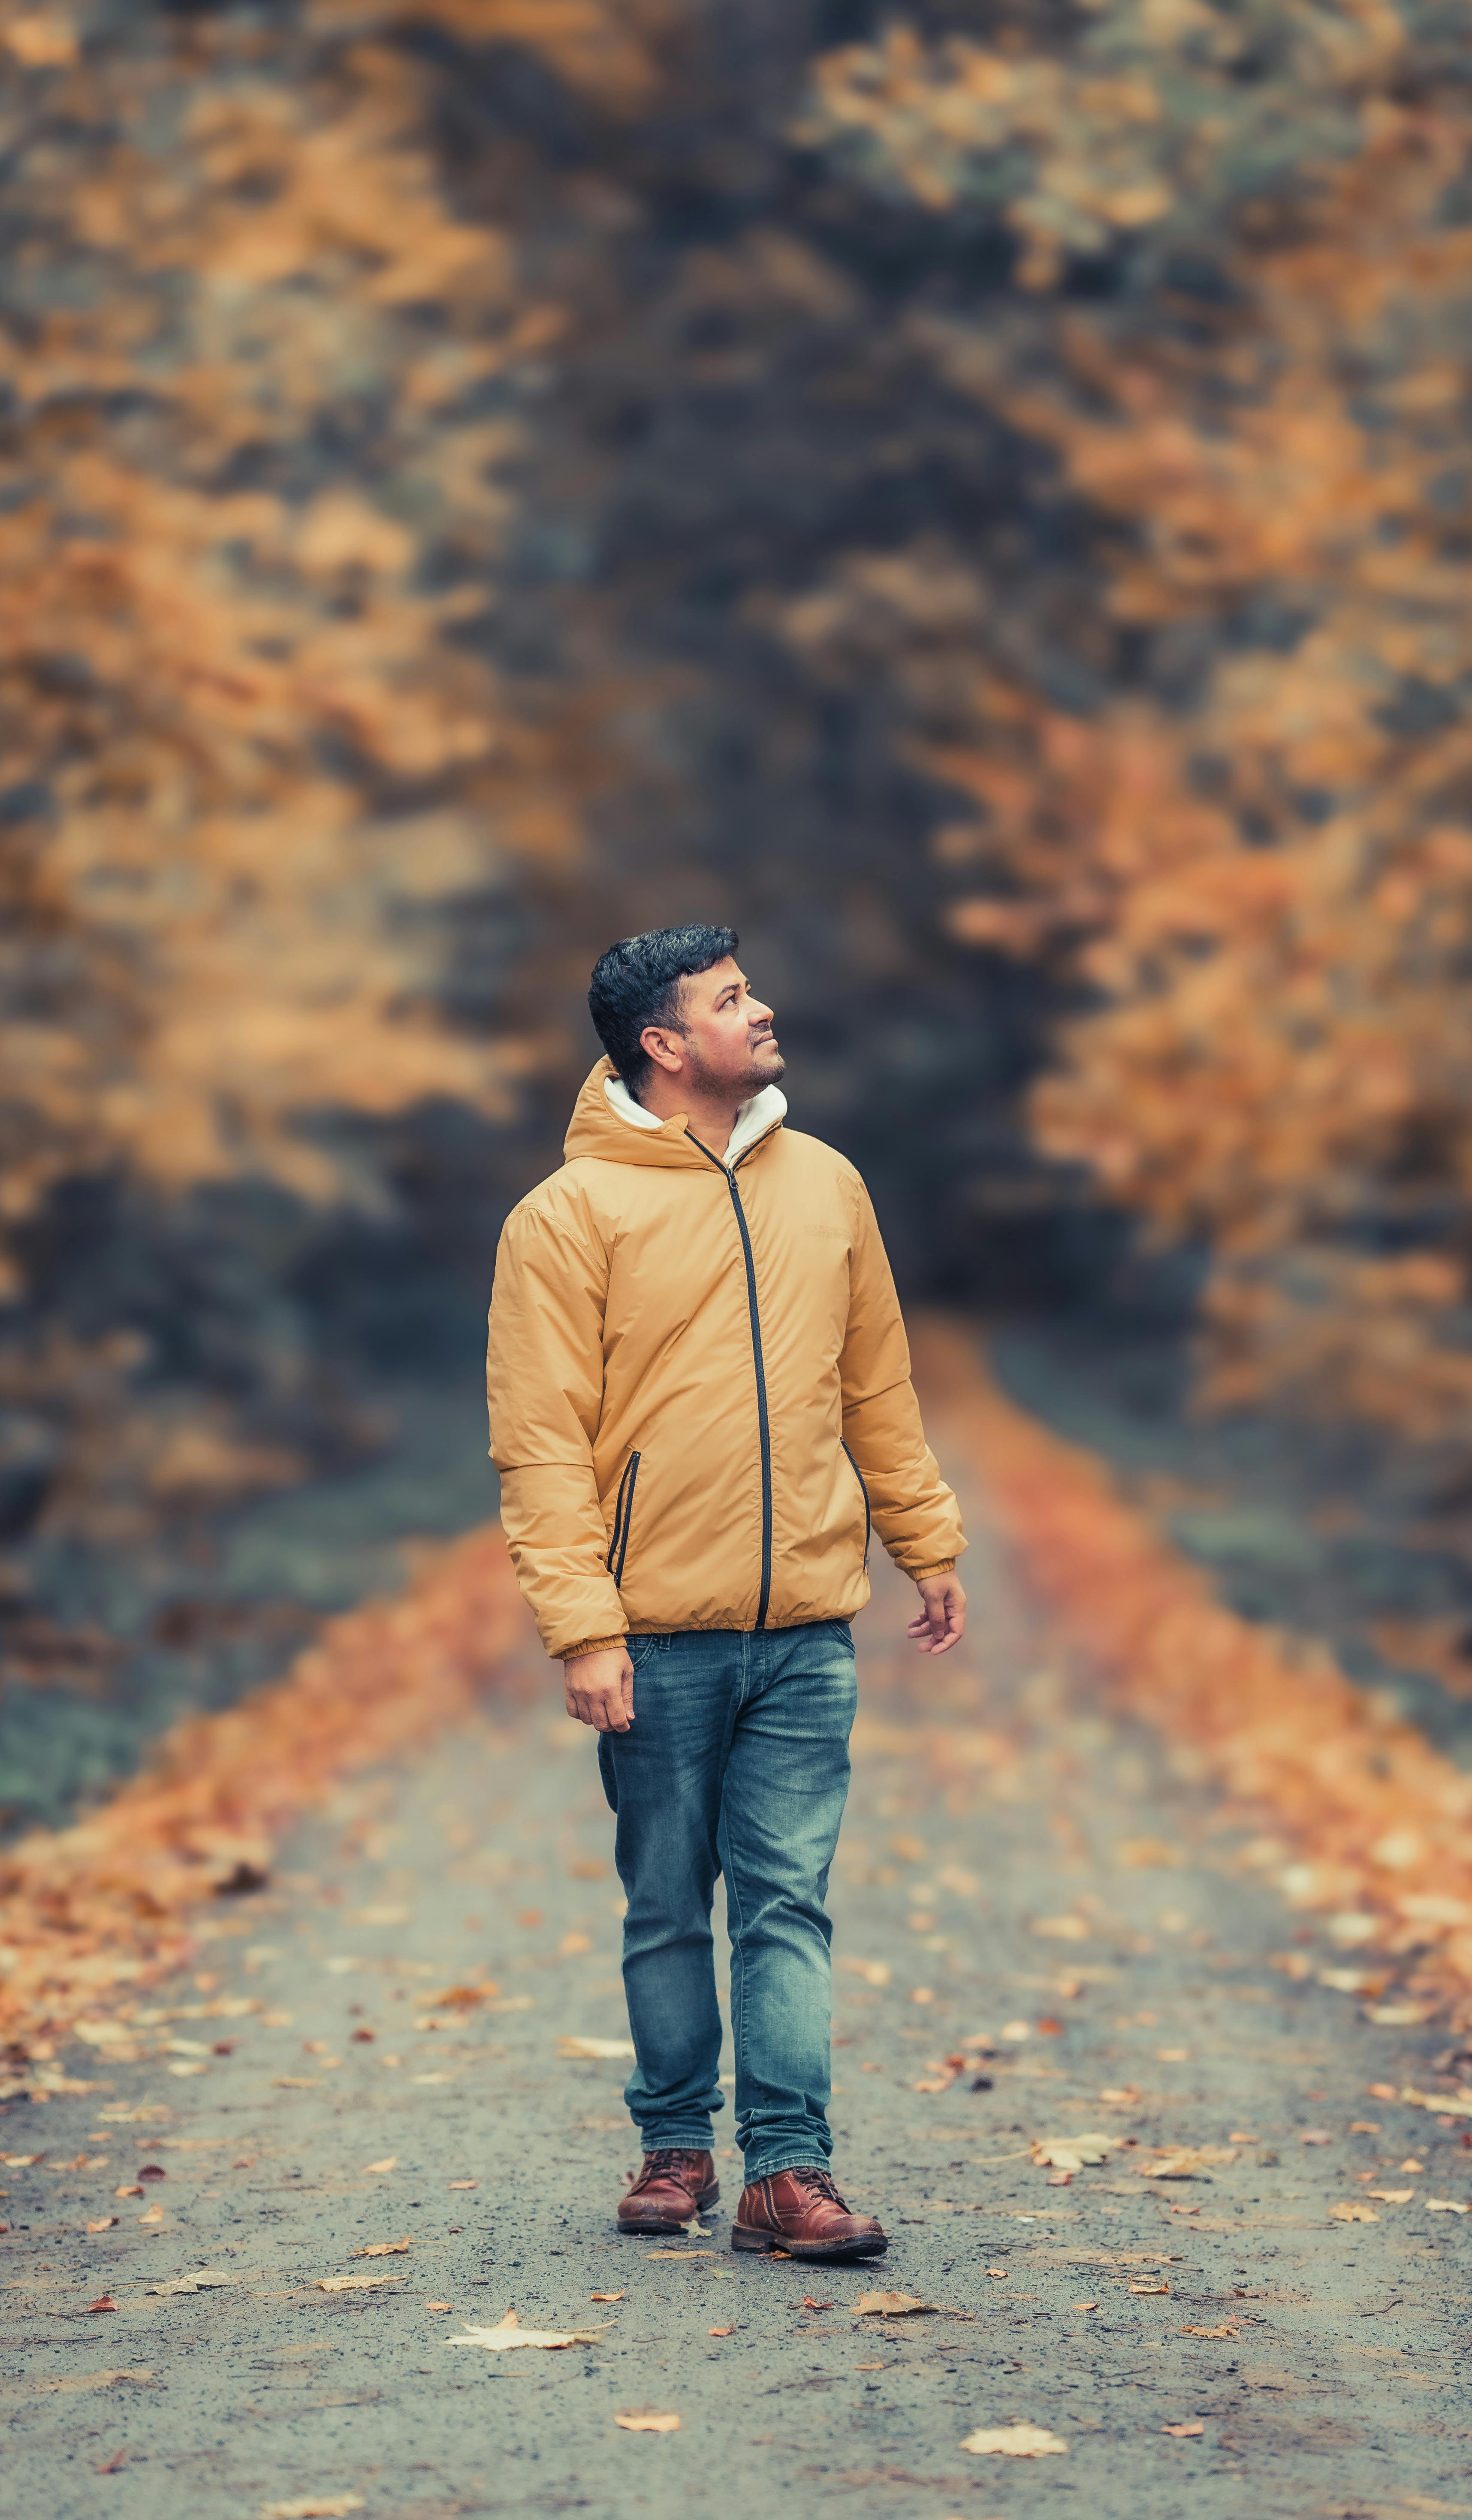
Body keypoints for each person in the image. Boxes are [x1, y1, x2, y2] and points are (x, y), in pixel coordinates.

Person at [486, 925, 966, 2262]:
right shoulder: (565, 1216)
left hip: (807, 1626)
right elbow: (539, 1441)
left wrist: (922, 1534)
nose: (761, 1012)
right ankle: (675, 2146)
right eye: (730, 998)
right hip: (655, 1634)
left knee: (783, 1900)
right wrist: (583, 1625)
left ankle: (787, 2170)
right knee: (661, 1900)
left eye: (749, 991)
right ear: (661, 1040)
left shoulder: (826, 1185)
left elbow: (875, 1384)